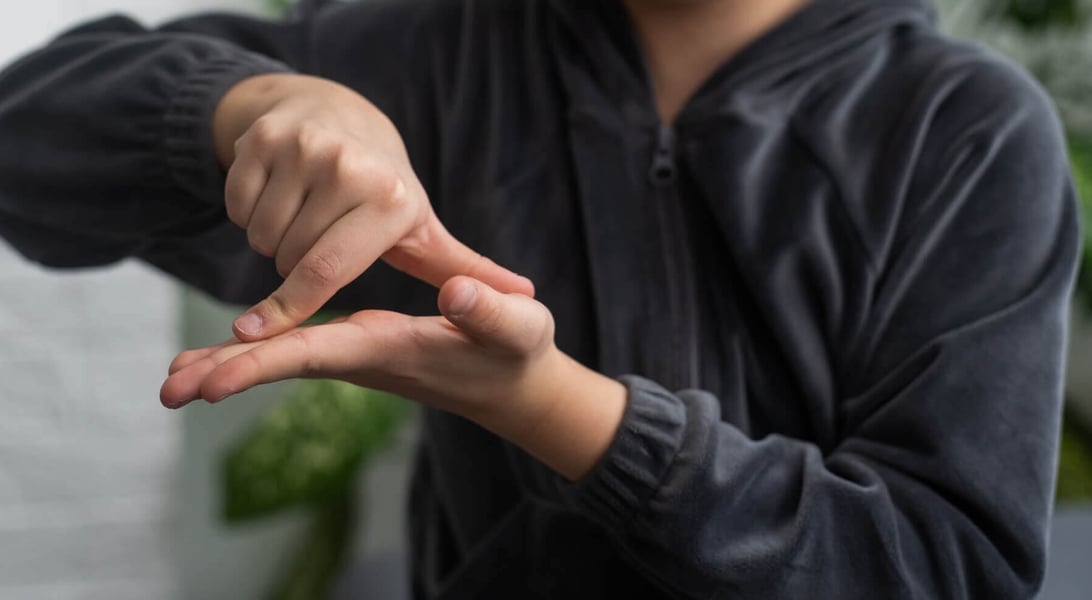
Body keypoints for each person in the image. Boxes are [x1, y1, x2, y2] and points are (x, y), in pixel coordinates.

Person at [0, 0, 1079, 597]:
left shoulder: (965, 131)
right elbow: (25, 144)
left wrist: (555, 406)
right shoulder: (428, 54)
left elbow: (951, 568)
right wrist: (250, 106)